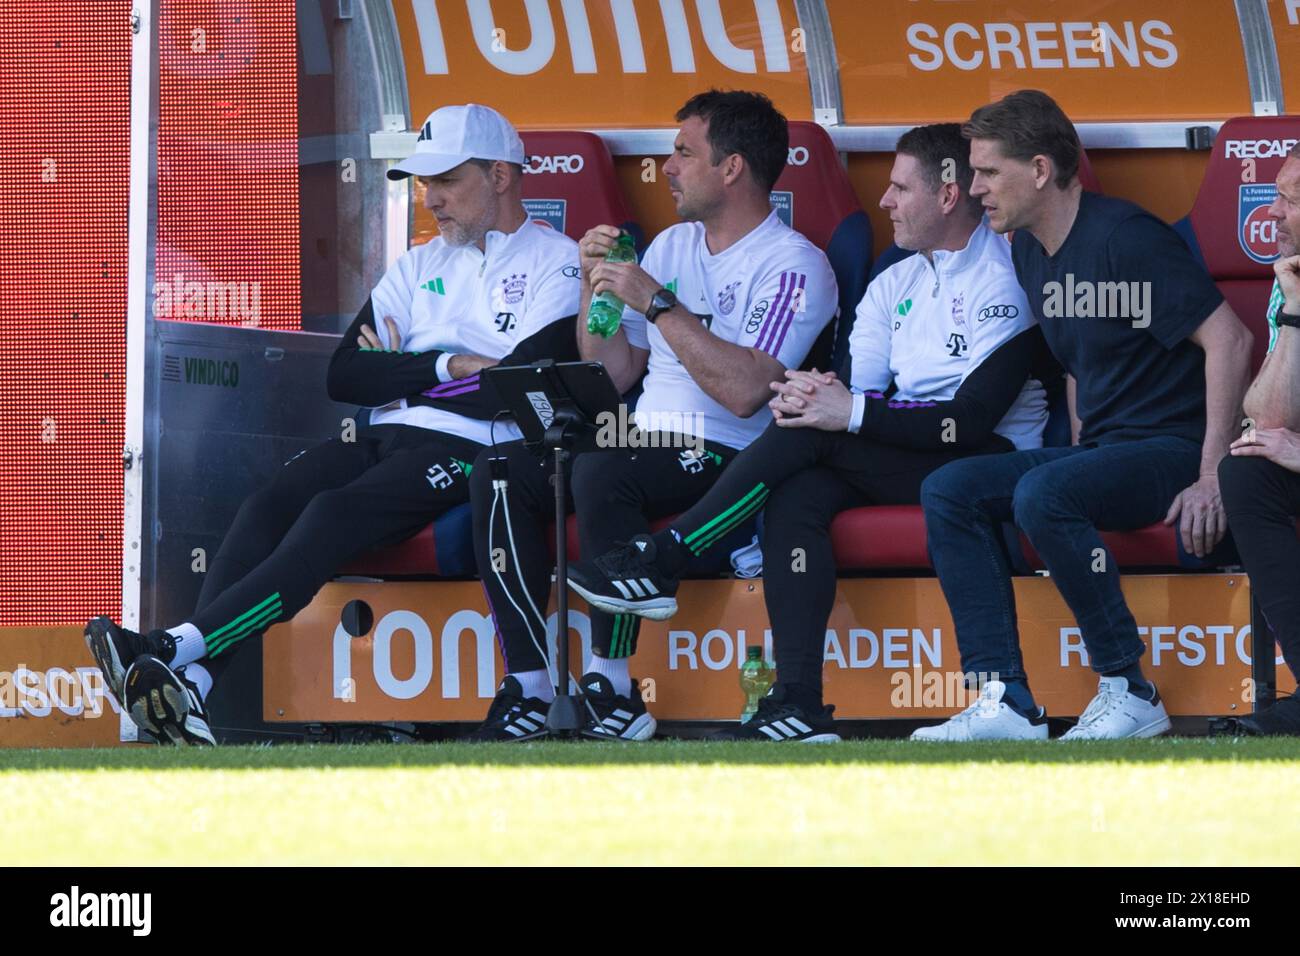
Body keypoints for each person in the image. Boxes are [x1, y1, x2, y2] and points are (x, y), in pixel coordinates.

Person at [84, 103, 581, 745]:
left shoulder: (557, 261)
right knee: (266, 504)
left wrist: (404, 365)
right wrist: (447, 362)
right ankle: (199, 688)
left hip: (470, 445)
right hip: (381, 431)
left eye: (447, 181)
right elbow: (345, 376)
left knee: (329, 514)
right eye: (425, 183)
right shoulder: (419, 263)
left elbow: (513, 386)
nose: (431, 198)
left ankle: (174, 648)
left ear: (502, 177)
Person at [569, 123, 1049, 742]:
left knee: (810, 437)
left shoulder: (1004, 276)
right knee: (802, 485)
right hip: (913, 452)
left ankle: (666, 558)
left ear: (948, 197)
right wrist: (820, 400)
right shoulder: (893, 282)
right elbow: (866, 397)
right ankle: (798, 703)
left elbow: (969, 422)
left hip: (988, 458)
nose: (885, 202)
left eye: (900, 189)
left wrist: (841, 412)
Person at [467, 90, 837, 741]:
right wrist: (595, 288)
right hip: (642, 434)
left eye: (684, 152)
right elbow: (612, 370)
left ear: (733, 168)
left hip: (727, 452)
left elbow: (747, 390)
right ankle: (527, 685)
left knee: (607, 467)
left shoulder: (795, 266)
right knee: (501, 467)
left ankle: (612, 687)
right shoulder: (668, 245)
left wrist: (659, 301)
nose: (666, 167)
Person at [916, 90, 1254, 741]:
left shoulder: (1125, 237)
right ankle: (1004, 701)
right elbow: (1077, 364)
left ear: (1040, 170)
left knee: (1044, 492)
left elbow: (1230, 342)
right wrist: (1081, 448)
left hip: (1174, 448)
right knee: (950, 487)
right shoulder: (1026, 249)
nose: (974, 186)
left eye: (987, 171)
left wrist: (1214, 474)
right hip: (1107, 450)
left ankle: (1130, 689)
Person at [1218, 144, 1300, 735]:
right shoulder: (1291, 276)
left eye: (1289, 200)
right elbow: (1265, 414)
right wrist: (1294, 310)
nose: (1271, 213)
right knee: (1246, 469)